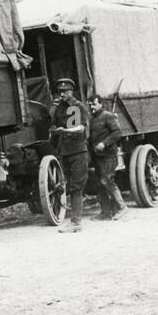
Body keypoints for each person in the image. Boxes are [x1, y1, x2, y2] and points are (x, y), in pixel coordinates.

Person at [50, 78, 90, 232]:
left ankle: (76, 222)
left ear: (71, 91)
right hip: (64, 151)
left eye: (65, 91)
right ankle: (74, 220)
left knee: (76, 187)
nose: (62, 94)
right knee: (68, 185)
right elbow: (53, 125)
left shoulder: (78, 107)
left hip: (78, 151)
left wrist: (65, 131)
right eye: (60, 91)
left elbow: (81, 128)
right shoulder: (58, 109)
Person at [88, 96, 128, 218]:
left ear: (100, 104)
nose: (92, 107)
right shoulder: (92, 119)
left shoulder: (107, 116)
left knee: (107, 180)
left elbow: (117, 133)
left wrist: (104, 143)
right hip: (97, 156)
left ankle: (122, 207)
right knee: (100, 183)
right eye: (90, 105)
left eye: (94, 104)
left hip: (109, 155)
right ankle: (106, 212)